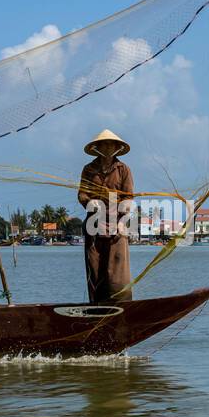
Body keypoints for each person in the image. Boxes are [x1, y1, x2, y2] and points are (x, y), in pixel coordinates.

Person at [76, 129, 134, 304]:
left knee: (117, 272)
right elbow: (82, 194)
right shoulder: (89, 169)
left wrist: (124, 215)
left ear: (117, 147)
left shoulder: (123, 169)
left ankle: (121, 306)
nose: (108, 147)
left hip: (117, 226)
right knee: (95, 269)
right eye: (104, 144)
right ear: (98, 147)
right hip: (94, 226)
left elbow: (129, 195)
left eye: (111, 144)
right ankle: (97, 306)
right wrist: (88, 202)